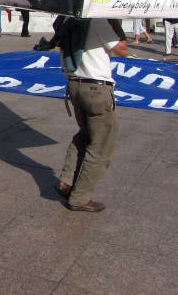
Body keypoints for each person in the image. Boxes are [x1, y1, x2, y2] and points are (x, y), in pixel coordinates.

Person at [54, 18, 128, 211]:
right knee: (102, 144)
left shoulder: (65, 19)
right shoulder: (97, 21)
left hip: (74, 84)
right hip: (96, 87)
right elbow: (122, 49)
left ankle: (66, 180)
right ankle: (80, 197)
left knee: (85, 135)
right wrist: (115, 24)